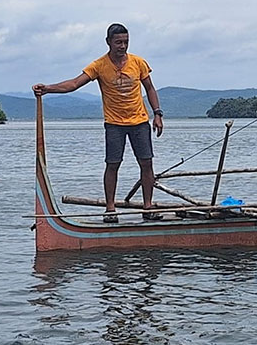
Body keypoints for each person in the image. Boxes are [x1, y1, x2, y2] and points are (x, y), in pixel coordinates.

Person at [33, 23, 164, 223]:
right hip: (114, 123)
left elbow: (150, 89)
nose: (122, 46)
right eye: (118, 42)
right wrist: (48, 88)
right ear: (108, 42)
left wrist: (157, 114)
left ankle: (148, 207)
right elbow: (74, 84)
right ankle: (110, 209)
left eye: (126, 42)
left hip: (139, 121)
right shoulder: (99, 65)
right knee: (113, 164)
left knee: (146, 163)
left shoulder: (138, 63)